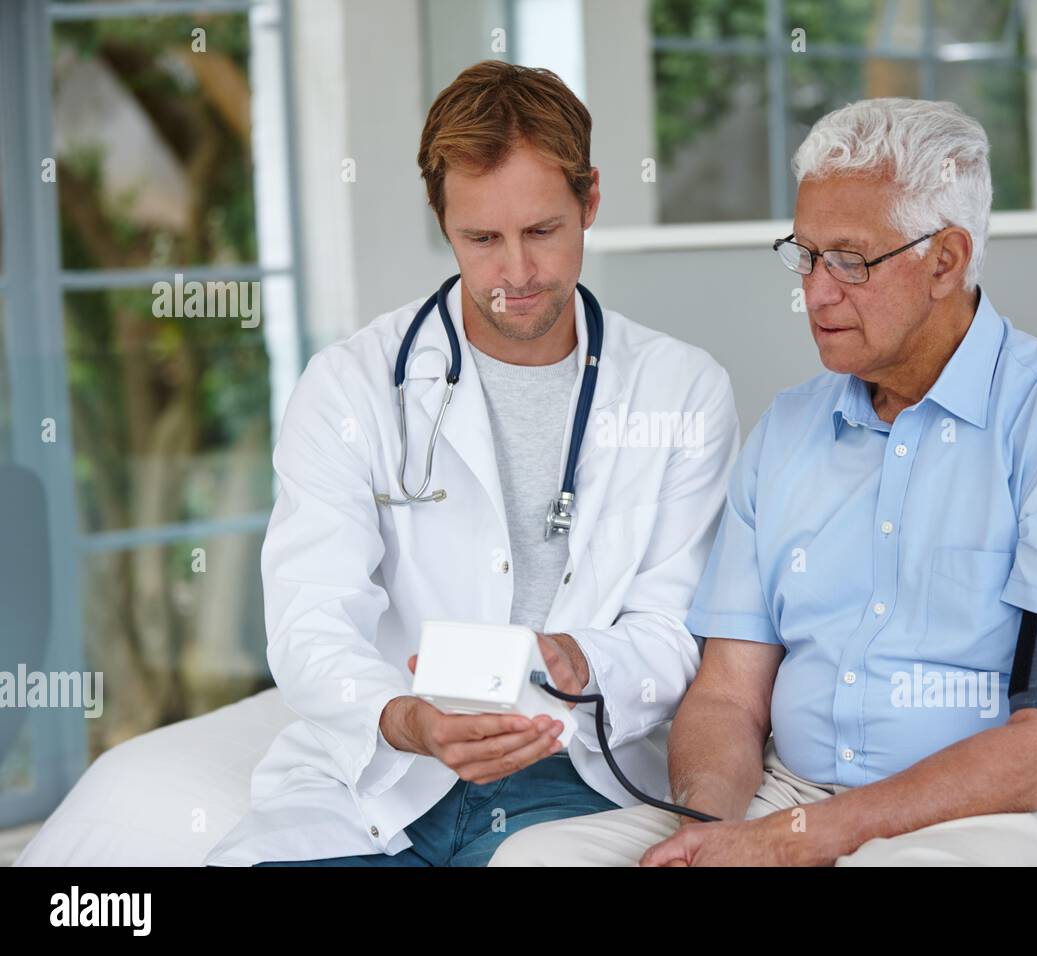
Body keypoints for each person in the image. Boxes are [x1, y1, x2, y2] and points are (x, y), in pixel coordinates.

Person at [489, 97, 1037, 867]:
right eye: (806, 255)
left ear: (945, 261)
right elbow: (727, 696)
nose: (816, 292)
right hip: (792, 793)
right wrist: (710, 830)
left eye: (851, 261)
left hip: (1010, 804)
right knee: (536, 859)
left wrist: (805, 841)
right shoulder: (788, 432)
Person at [204, 61, 739, 866]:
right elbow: (312, 618)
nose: (516, 275)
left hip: (573, 773)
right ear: (440, 218)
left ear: (590, 201)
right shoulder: (351, 386)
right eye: (481, 240)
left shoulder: (681, 390)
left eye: (543, 232)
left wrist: (574, 657)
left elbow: (672, 632)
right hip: (386, 773)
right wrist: (408, 718)